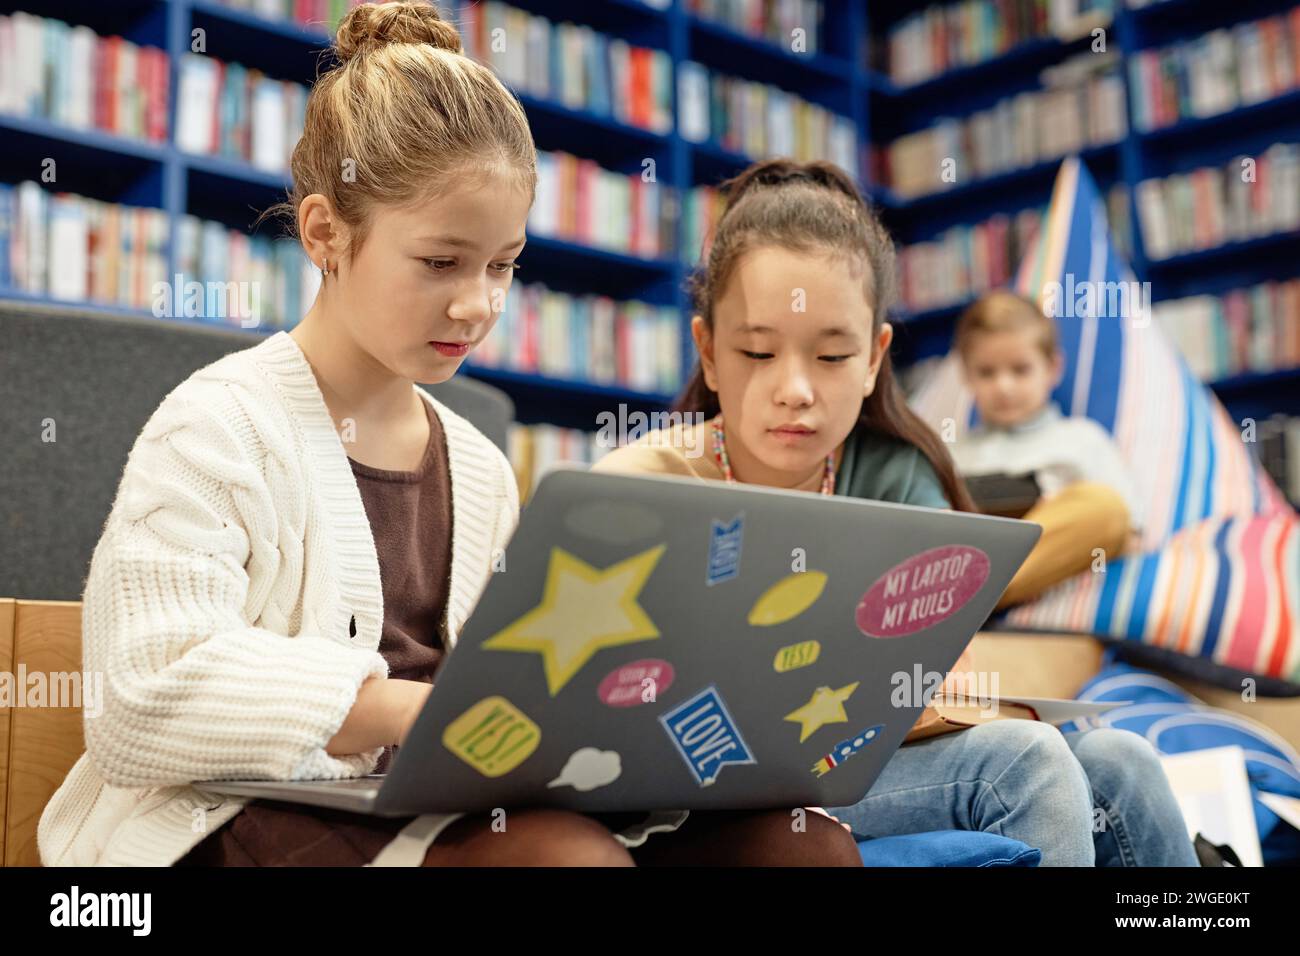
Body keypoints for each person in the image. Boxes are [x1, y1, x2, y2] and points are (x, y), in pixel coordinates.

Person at [36, 2, 858, 868]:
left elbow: (515, 690)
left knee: (801, 846)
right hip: (219, 818)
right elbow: (142, 695)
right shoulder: (217, 427)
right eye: (441, 263)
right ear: (326, 233)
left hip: (429, 806)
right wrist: (402, 711)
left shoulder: (479, 464)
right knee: (562, 861)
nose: (479, 304)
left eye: (503, 265)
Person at [592, 157, 1199, 866]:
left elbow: (947, 672)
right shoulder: (638, 489)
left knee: (1124, 760)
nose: (794, 389)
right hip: (709, 790)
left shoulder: (893, 471)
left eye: (832, 355)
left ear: (876, 357)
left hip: (860, 758)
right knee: (1025, 762)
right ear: (710, 351)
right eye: (757, 351)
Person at [949, 290, 1142, 608]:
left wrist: (1054, 514)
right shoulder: (951, 453)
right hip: (966, 558)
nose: (1004, 387)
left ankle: (969, 598)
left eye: (1020, 370)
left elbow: (1128, 532)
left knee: (1103, 506)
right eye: (986, 373)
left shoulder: (1081, 438)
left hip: (1045, 572)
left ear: (1053, 368)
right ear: (966, 376)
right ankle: (972, 594)